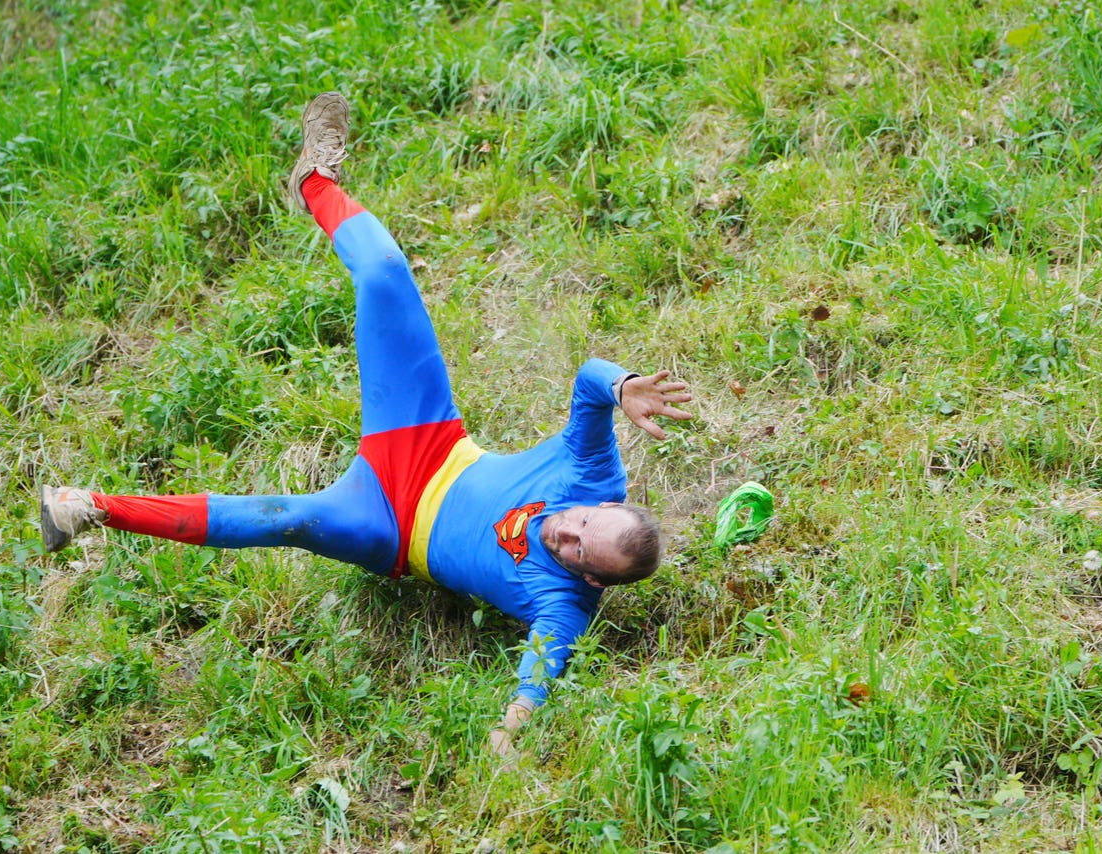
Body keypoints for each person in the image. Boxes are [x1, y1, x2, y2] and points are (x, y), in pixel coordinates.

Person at [40, 92, 693, 755]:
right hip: (431, 443)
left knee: (281, 518)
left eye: (582, 551)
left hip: (390, 528)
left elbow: (539, 676)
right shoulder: (593, 477)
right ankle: (315, 182)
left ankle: (87, 509)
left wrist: (509, 730)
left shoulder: (566, 606)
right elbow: (588, 384)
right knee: (383, 274)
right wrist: (625, 384)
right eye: (586, 522)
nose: (569, 531)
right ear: (603, 504)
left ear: (592, 580)